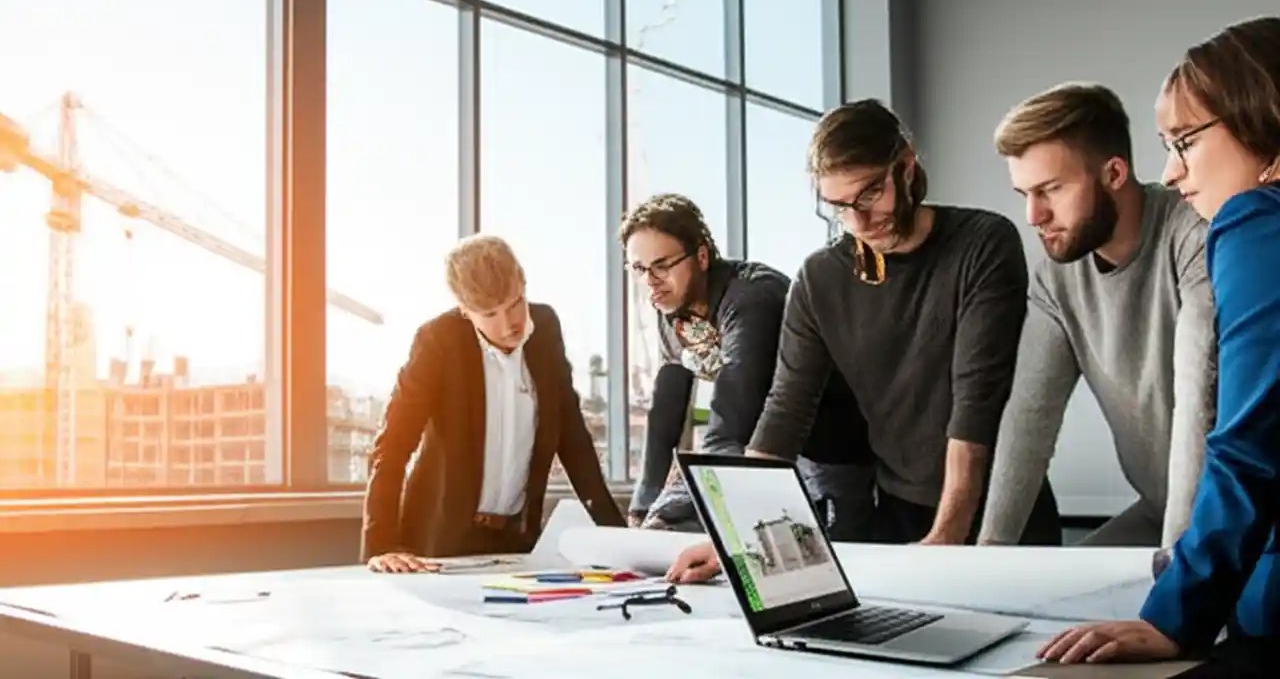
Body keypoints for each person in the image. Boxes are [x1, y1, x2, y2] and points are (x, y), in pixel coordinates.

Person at [668, 98, 1058, 583]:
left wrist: (949, 538)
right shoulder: (820, 278)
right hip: (897, 512)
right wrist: (732, 538)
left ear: (907, 167)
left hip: (1003, 510)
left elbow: (975, 403)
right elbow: (787, 409)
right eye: (838, 207)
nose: (860, 222)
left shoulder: (982, 242)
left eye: (870, 194)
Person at [1040, 16, 1280, 667]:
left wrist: (1177, 616)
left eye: (1186, 142)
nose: (1172, 173)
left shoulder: (1255, 219)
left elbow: (1251, 441)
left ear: (1267, 130)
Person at [979, 82, 1217, 550]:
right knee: (1048, 596)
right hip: (1156, 510)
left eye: (1050, 189)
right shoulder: (1054, 278)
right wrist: (990, 557)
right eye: (1024, 193)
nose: (1033, 214)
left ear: (1113, 173)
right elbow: (1029, 419)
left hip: (1231, 522)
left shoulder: (1195, 234)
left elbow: (1197, 402)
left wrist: (1176, 584)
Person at [361, 235, 625, 571]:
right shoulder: (437, 341)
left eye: (515, 303)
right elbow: (392, 445)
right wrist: (381, 547)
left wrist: (618, 538)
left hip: (518, 542)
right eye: (490, 314)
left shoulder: (545, 329)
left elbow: (573, 439)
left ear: (523, 283)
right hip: (438, 545)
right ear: (465, 311)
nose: (509, 324)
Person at [620, 193, 875, 540]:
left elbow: (733, 414)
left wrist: (671, 512)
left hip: (835, 453)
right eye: (639, 269)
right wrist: (643, 507)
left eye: (661, 265)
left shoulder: (753, 297)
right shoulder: (671, 307)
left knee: (842, 569)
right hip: (764, 451)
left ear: (703, 256)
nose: (650, 281)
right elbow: (667, 406)